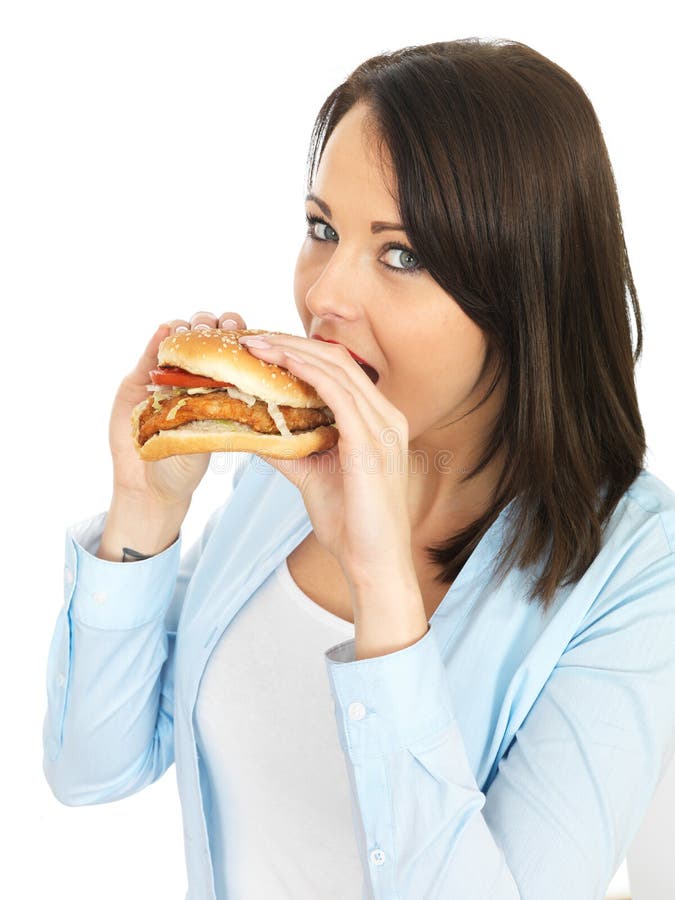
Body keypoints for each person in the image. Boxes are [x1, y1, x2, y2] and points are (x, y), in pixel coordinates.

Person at [43, 37, 675, 900]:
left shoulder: (639, 571)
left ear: (526, 287)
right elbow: (92, 769)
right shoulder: (286, 465)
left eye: (401, 254)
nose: (324, 296)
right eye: (321, 230)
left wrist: (381, 585)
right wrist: (144, 513)